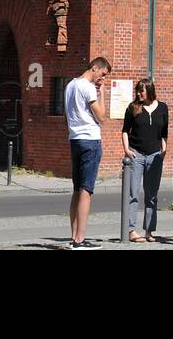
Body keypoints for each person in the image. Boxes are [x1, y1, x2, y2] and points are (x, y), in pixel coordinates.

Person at [65, 57, 110, 250]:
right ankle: (80, 239)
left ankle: (74, 236)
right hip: (90, 140)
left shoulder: (70, 85)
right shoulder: (88, 87)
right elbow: (101, 116)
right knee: (86, 190)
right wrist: (102, 94)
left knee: (77, 190)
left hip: (74, 139)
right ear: (95, 68)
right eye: (103, 74)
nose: (103, 79)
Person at [121, 78, 168, 243]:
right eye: (137, 91)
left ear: (150, 90)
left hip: (155, 155)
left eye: (142, 91)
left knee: (152, 195)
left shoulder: (162, 108)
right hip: (136, 154)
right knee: (133, 193)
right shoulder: (133, 107)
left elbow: (164, 132)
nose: (139, 94)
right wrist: (127, 149)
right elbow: (125, 130)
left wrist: (164, 148)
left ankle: (149, 231)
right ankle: (131, 230)